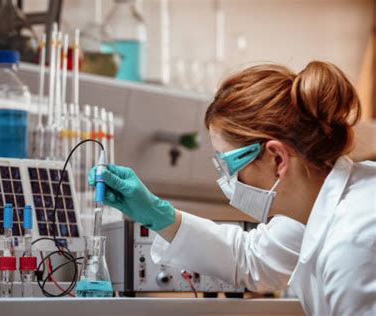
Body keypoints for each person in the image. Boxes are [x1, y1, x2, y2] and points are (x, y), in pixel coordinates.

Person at [89, 61, 376, 315]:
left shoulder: (354, 242)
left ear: (277, 159)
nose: (226, 180)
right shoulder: (311, 209)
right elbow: (249, 258)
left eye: (227, 165)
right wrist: (159, 214)